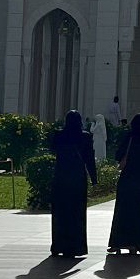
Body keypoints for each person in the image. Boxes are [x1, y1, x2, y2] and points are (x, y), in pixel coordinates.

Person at [107, 112, 140, 255]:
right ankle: (137, 243)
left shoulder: (129, 138)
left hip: (128, 179)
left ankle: (118, 242)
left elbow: (118, 155)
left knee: (123, 211)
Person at [49, 110, 95, 258]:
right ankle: (75, 246)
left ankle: (58, 244)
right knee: (77, 212)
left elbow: (53, 149)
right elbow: (89, 159)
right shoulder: (85, 137)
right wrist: (94, 178)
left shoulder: (59, 135)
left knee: (60, 211)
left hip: (61, 176)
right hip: (77, 177)